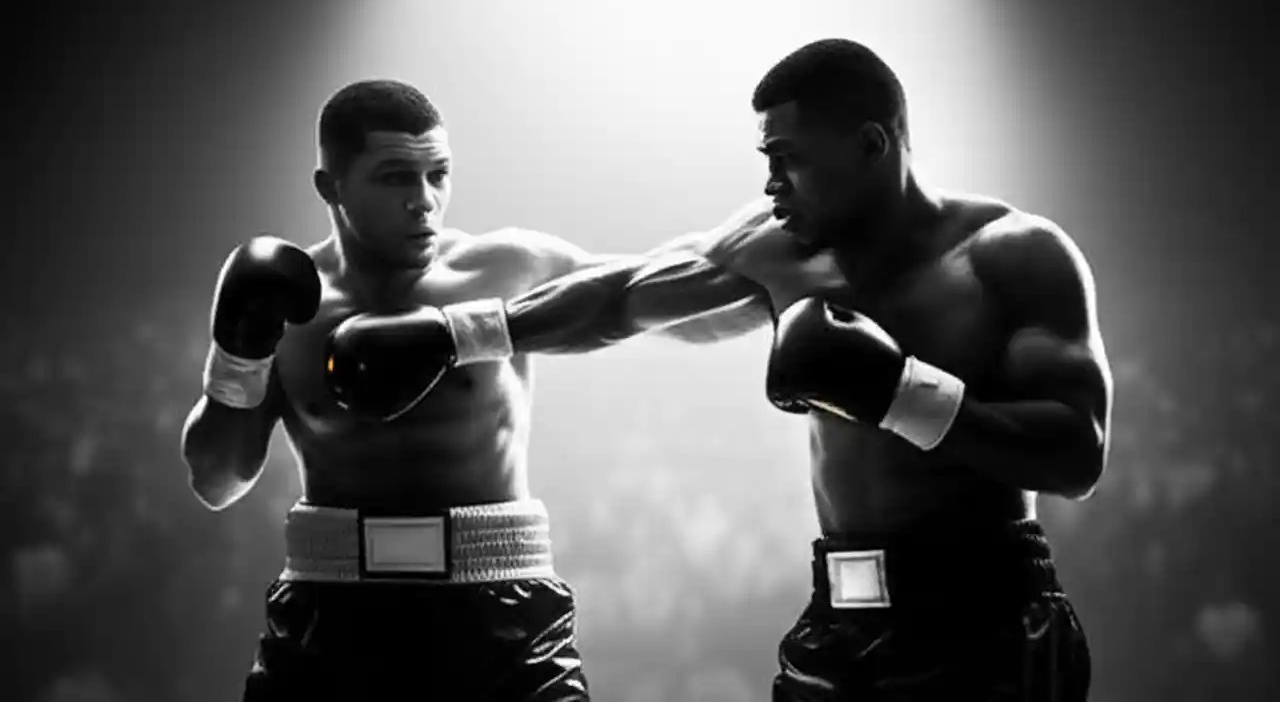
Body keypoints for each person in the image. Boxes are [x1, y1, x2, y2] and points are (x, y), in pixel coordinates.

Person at [328, 39, 1111, 700]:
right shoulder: (779, 247)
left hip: (991, 615)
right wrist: (455, 336)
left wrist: (900, 391)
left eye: (789, 159)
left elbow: (1077, 455)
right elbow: (622, 296)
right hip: (841, 613)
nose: (771, 183)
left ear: (873, 146)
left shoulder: (1014, 256)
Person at [180, 79, 799, 700]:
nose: (424, 201)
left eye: (438, 175)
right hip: (328, 613)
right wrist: (239, 354)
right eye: (396, 178)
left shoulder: (506, 269)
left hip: (501, 608)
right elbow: (217, 480)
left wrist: (795, 261)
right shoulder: (290, 304)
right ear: (331, 187)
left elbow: (666, 294)